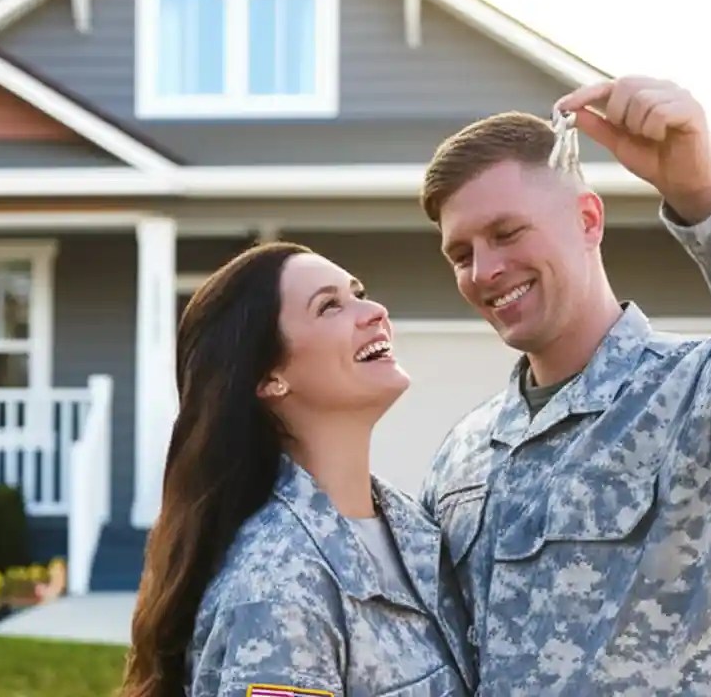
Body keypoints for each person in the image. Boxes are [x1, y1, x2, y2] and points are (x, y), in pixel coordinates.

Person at [417, 75, 711, 694]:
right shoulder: (463, 455)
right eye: (461, 254)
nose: (484, 270)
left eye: (507, 233)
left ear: (588, 220)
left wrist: (703, 196)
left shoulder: (710, 400)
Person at [119, 241, 477, 697]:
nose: (375, 312)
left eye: (359, 294)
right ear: (270, 378)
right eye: (329, 306)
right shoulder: (278, 589)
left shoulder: (418, 531)